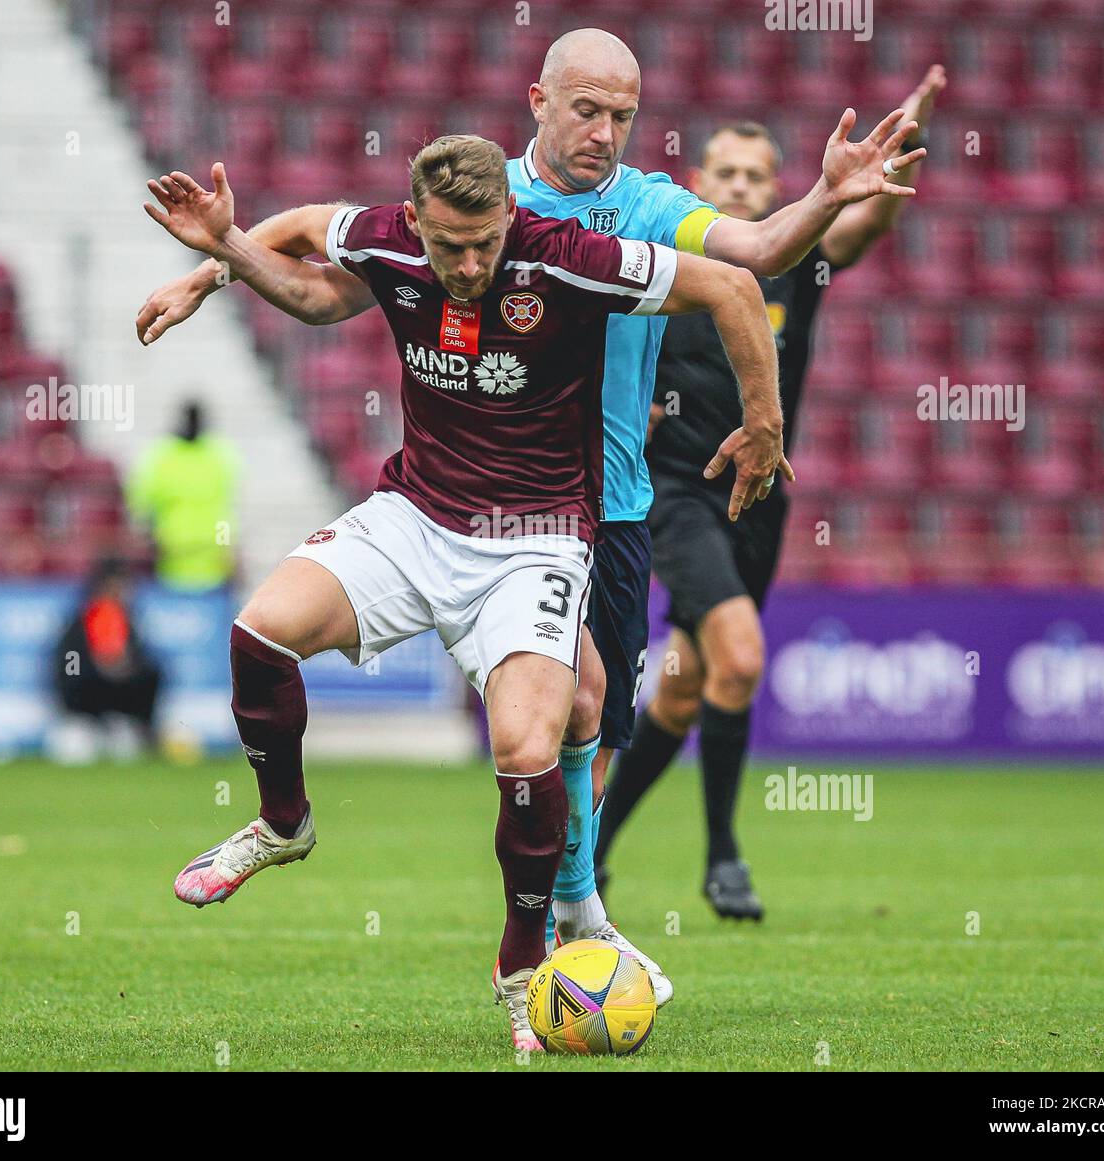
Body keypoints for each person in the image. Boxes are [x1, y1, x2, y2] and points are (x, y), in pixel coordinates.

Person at [136, 29, 925, 987]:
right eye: (587, 110)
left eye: (623, 116)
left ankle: (574, 923)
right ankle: (568, 934)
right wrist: (208, 265)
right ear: (537, 99)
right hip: (467, 503)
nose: (604, 132)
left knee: (586, 735)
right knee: (551, 730)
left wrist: (824, 199)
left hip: (607, 503)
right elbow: (316, 251)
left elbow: (751, 254)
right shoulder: (471, 198)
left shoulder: (639, 208)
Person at [140, 133, 788, 1050]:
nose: (472, 264)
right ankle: (283, 821)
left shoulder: (567, 258)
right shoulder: (383, 237)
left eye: (487, 243)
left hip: (537, 541)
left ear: (510, 221)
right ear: (415, 224)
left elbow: (730, 284)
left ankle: (524, 964)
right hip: (416, 515)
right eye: (452, 247)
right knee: (260, 631)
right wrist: (224, 252)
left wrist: (763, 424)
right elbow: (316, 292)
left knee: (527, 747)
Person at [596, 66, 947, 920]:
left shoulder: (797, 262)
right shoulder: (666, 262)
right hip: (675, 488)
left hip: (762, 496)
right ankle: (724, 859)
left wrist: (894, 162)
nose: (744, 186)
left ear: (777, 187)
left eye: (758, 175)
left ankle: (592, 851)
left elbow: (864, 224)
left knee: (684, 684)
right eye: (729, 173)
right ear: (699, 184)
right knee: (742, 655)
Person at [52, 555, 162, 755]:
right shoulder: (83, 621)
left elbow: (140, 665)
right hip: (83, 713)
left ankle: (136, 728)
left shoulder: (126, 620)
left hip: (117, 711)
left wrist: (125, 671)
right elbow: (70, 672)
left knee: (152, 673)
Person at [126, 398, 240, 592]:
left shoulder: (219, 456)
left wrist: (227, 548)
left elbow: (225, 511)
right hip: (170, 561)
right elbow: (142, 508)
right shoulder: (161, 456)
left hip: (209, 563)